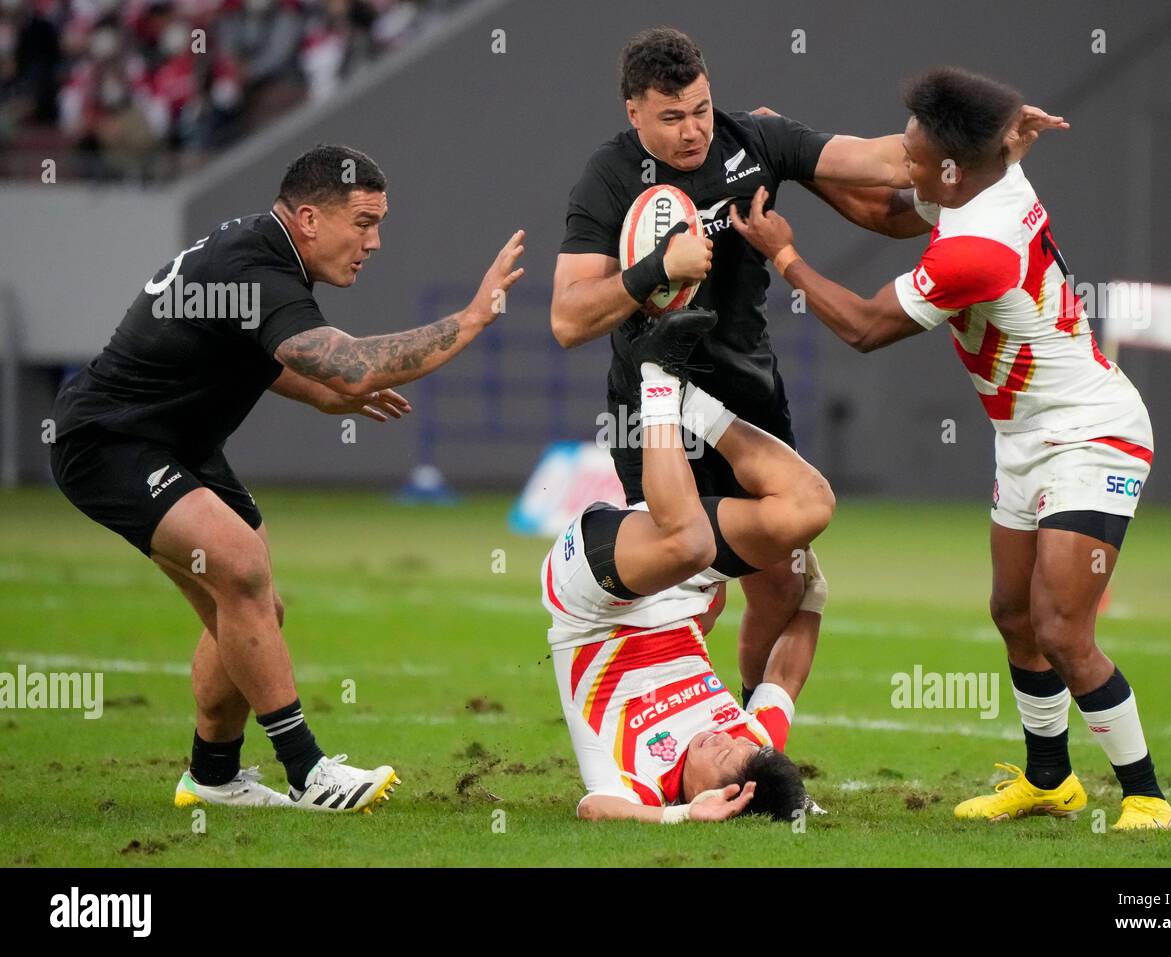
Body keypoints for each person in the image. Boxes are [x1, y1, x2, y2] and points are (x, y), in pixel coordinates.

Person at [550, 26, 1063, 714]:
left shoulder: (755, 140)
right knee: (687, 589)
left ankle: (741, 731)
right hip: (658, 413)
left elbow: (890, 165)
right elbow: (568, 318)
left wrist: (988, 146)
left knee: (786, 589)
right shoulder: (607, 178)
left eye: (700, 109)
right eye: (671, 117)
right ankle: (678, 739)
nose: (692, 130)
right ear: (633, 111)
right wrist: (654, 272)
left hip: (751, 401)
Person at [730, 67, 1171, 831]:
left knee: (1064, 628)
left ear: (950, 166)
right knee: (1012, 612)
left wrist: (787, 256)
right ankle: (1049, 781)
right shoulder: (978, 184)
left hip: (1092, 431)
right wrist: (792, 159)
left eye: (913, 145)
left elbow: (867, 327)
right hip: (1024, 437)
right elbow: (886, 210)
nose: (900, 152)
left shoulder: (981, 245)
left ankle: (1146, 797)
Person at [49, 143, 525, 812]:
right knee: (242, 568)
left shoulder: (262, 256)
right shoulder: (259, 264)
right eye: (363, 222)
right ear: (308, 217)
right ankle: (309, 771)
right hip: (111, 440)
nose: (375, 241)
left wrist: (332, 395)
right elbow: (350, 362)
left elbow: (281, 362)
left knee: (253, 607)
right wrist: (472, 317)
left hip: (180, 445)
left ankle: (212, 774)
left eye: (379, 223)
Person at [542, 307, 833, 823]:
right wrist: (815, 596)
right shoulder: (753, 747)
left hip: (595, 602)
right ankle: (686, 399)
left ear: (726, 798)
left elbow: (593, 808)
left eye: (721, 756)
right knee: (809, 508)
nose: (722, 736)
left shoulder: (644, 789)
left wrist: (678, 817)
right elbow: (785, 677)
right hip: (676, 578)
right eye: (735, 743)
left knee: (692, 543)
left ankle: (655, 376)